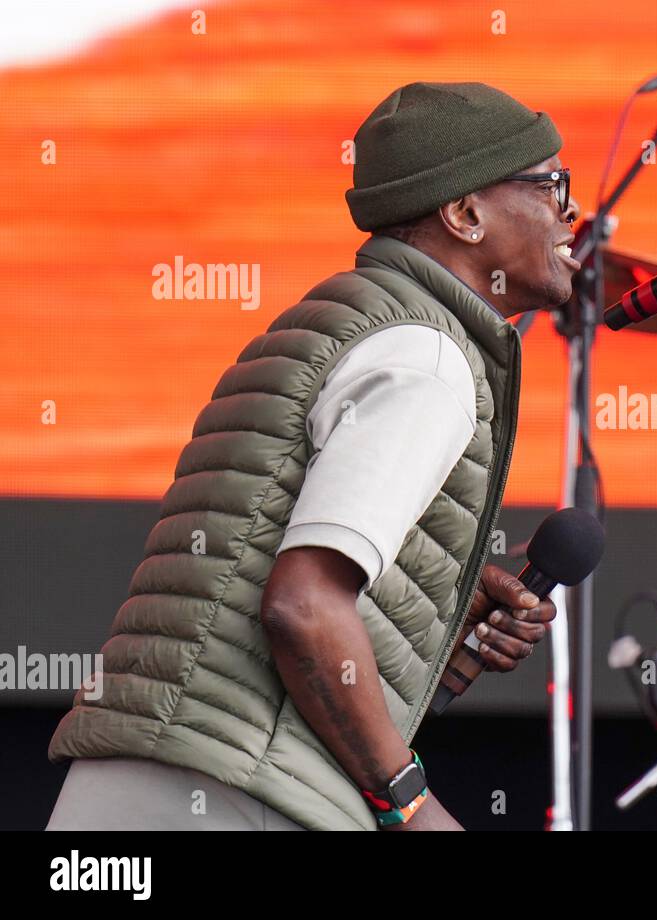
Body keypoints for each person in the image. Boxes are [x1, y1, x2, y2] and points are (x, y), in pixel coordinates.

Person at [46, 82, 582, 831]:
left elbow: (263, 555)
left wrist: (429, 607)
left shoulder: (343, 320)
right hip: (236, 793)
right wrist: (410, 803)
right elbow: (302, 607)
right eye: (553, 186)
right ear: (465, 214)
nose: (571, 214)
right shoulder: (426, 357)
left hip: (151, 781)